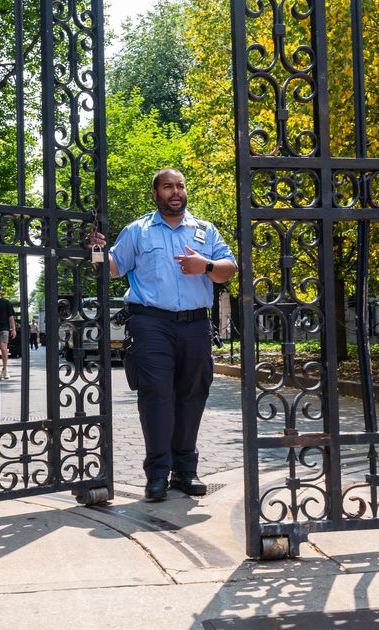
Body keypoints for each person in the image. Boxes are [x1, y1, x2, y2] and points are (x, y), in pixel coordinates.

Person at [87, 167, 237, 501]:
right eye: (168, 186)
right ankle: (157, 474)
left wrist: (206, 266)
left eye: (180, 186)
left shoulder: (205, 231)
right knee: (156, 397)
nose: (175, 192)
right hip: (151, 323)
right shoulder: (137, 231)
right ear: (155, 194)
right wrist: (97, 250)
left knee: (192, 396)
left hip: (196, 325)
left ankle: (185, 471)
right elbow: (112, 269)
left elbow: (229, 270)